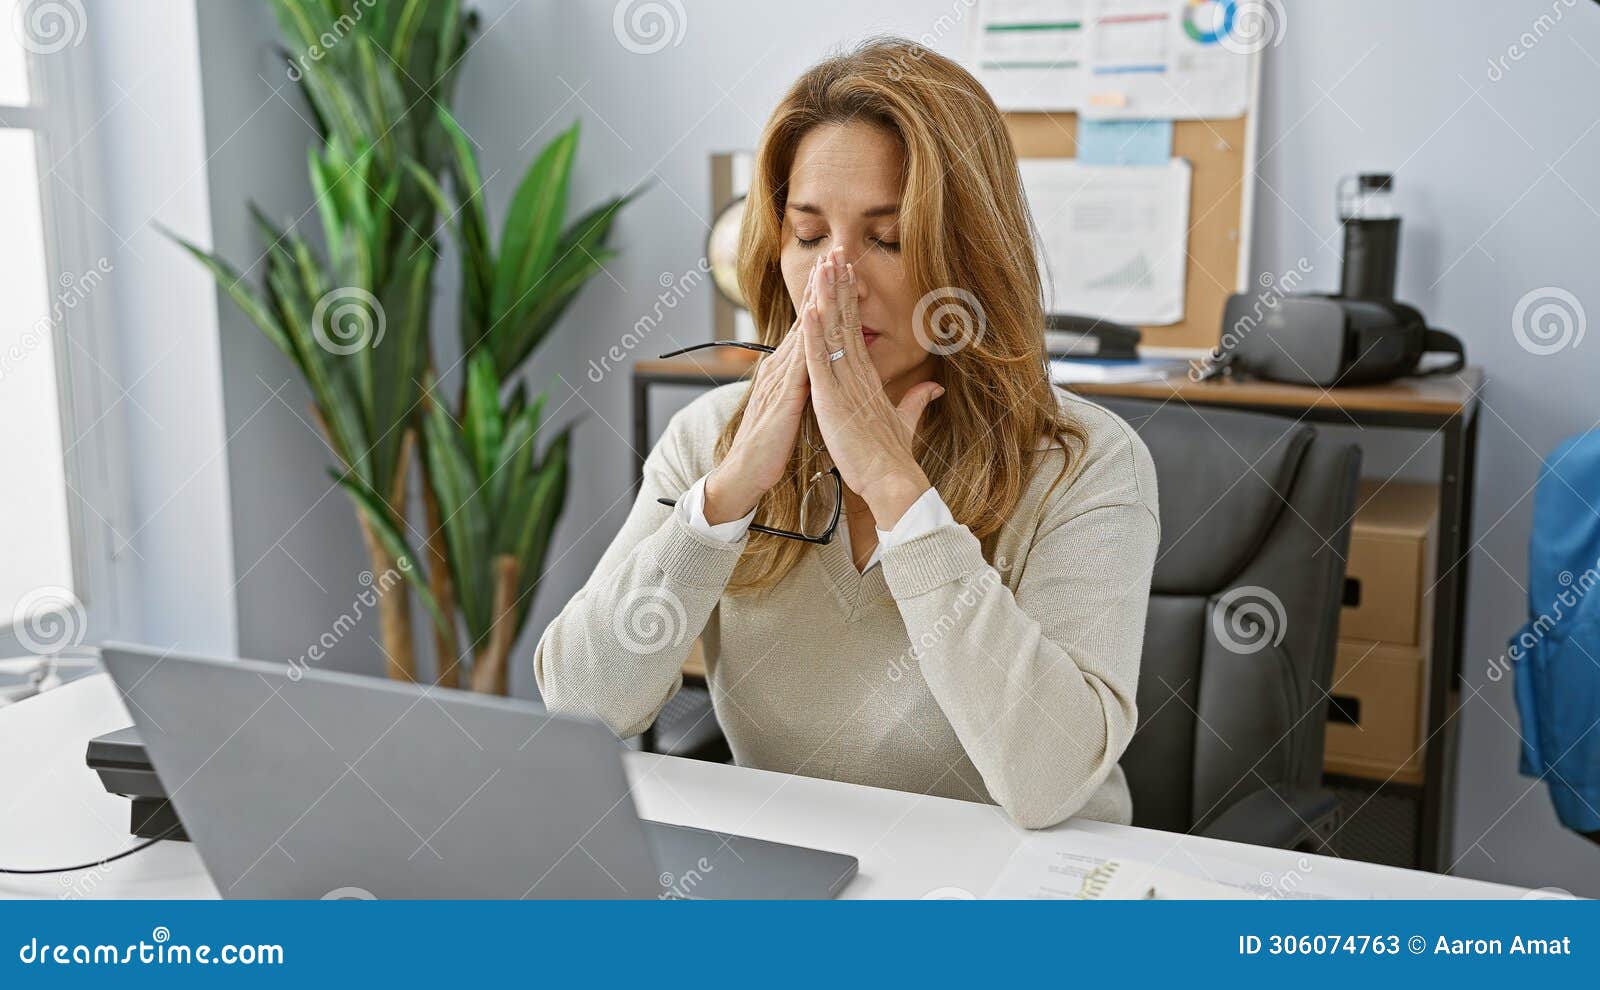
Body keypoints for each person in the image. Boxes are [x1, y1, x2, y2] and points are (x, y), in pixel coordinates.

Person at [535, 37, 1159, 828]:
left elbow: (1051, 782)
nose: (837, 278)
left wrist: (902, 496)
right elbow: (581, 708)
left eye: (888, 238)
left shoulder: (1085, 463)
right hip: (812, 883)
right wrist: (723, 501)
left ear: (970, 255)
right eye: (807, 235)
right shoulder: (713, 436)